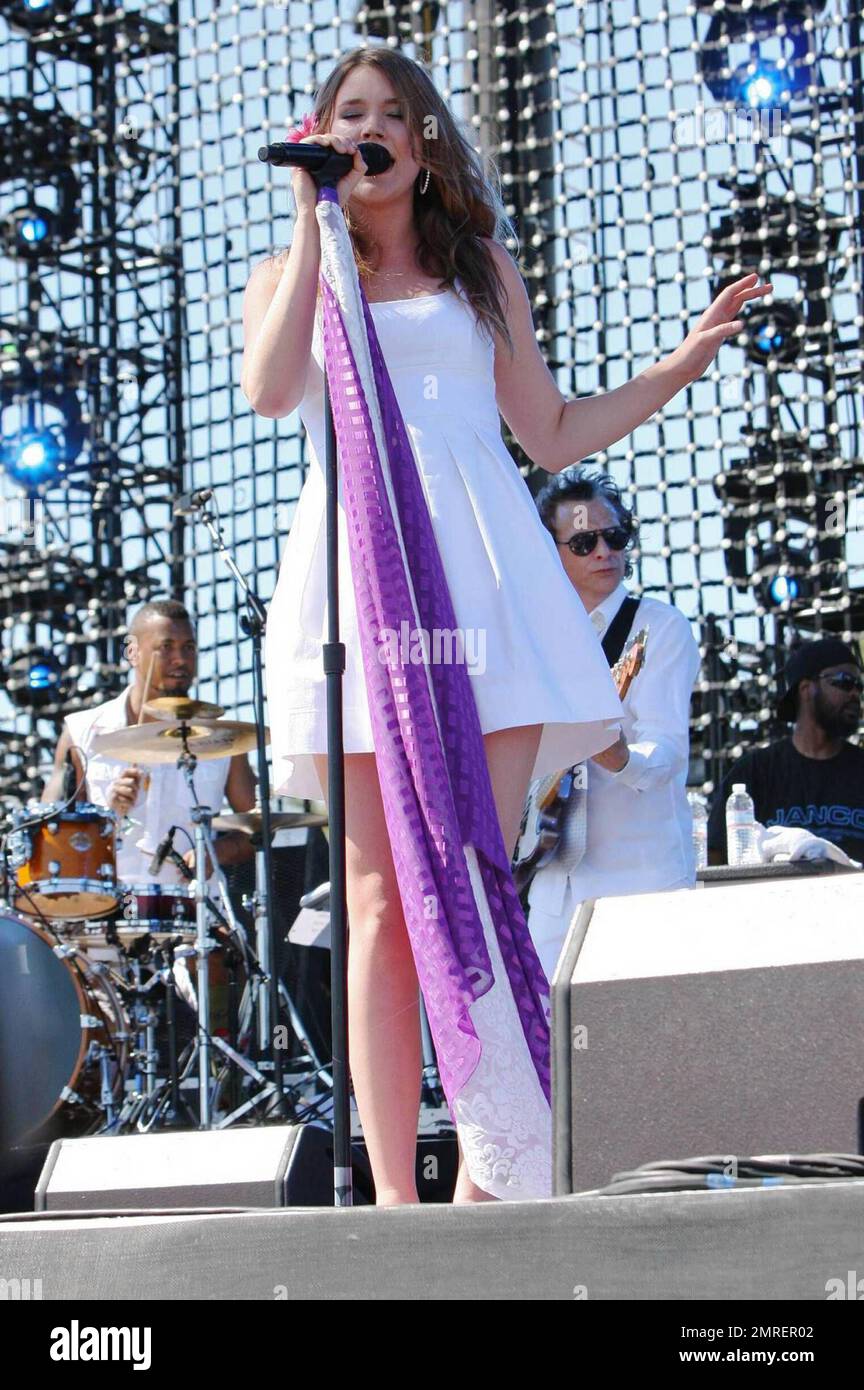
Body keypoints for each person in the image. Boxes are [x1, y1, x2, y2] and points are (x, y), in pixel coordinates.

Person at [241, 46, 769, 1205]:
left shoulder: (480, 266)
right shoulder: (297, 265)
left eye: (389, 116)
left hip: (483, 584)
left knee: (483, 875)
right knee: (377, 904)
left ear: (423, 141)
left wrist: (684, 359)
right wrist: (309, 211)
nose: (368, 130)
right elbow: (273, 393)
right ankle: (390, 1198)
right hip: (361, 587)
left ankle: (501, 1171)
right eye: (348, 116)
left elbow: (555, 432)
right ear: (323, 135)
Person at [523, 468, 701, 979]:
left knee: (649, 1046)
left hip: (641, 883)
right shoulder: (535, 641)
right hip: (555, 890)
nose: (604, 551)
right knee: (552, 1052)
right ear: (550, 553)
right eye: (582, 542)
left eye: (614, 536)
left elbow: (667, 750)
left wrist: (618, 756)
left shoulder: (659, 628)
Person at [43, 599, 256, 884]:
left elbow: (258, 824)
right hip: (111, 908)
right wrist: (106, 815)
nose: (180, 659)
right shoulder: (82, 733)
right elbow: (50, 831)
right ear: (133, 652)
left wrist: (218, 850)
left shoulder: (222, 738)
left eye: (188, 648)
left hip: (197, 910)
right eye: (166, 647)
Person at [707, 637, 864, 865]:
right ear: (806, 689)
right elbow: (714, 857)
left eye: (859, 686)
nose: (855, 694)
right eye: (845, 682)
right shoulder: (755, 772)